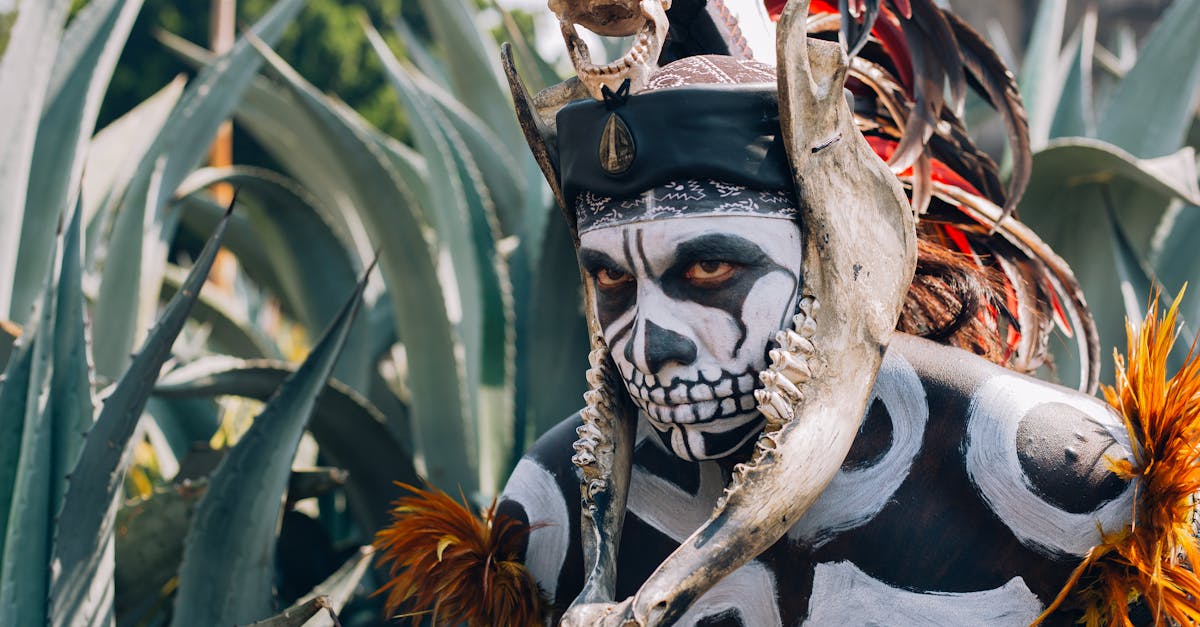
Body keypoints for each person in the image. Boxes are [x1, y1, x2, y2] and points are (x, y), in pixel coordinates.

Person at [374, 1, 1200, 625]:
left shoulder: (1061, 485)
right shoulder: (551, 515)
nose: (652, 341)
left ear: (831, 252)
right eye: (613, 283)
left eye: (708, 267)